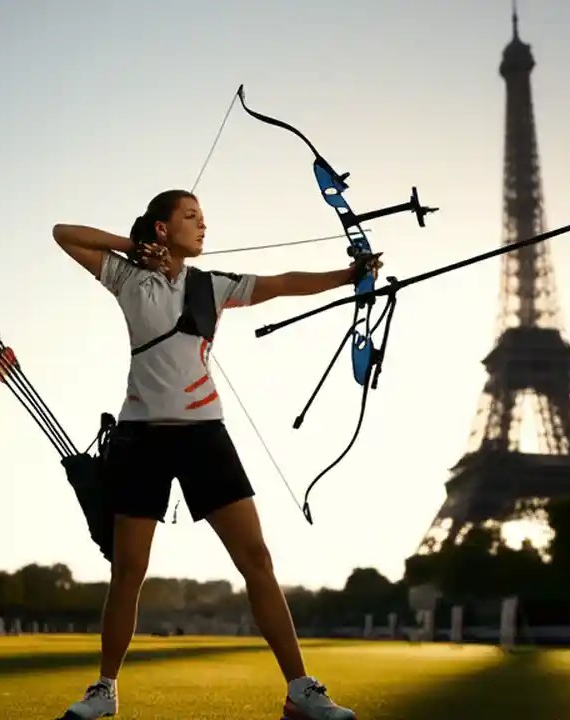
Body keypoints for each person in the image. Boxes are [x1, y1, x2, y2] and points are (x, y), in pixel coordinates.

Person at [52, 189, 378, 720]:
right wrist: (133, 249)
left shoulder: (213, 286)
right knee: (129, 570)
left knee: (256, 559)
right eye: (190, 217)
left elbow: (282, 285)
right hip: (141, 438)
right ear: (161, 228)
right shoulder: (128, 277)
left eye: (204, 217)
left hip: (204, 435)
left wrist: (348, 276)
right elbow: (64, 234)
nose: (203, 225)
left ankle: (300, 690)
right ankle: (104, 690)